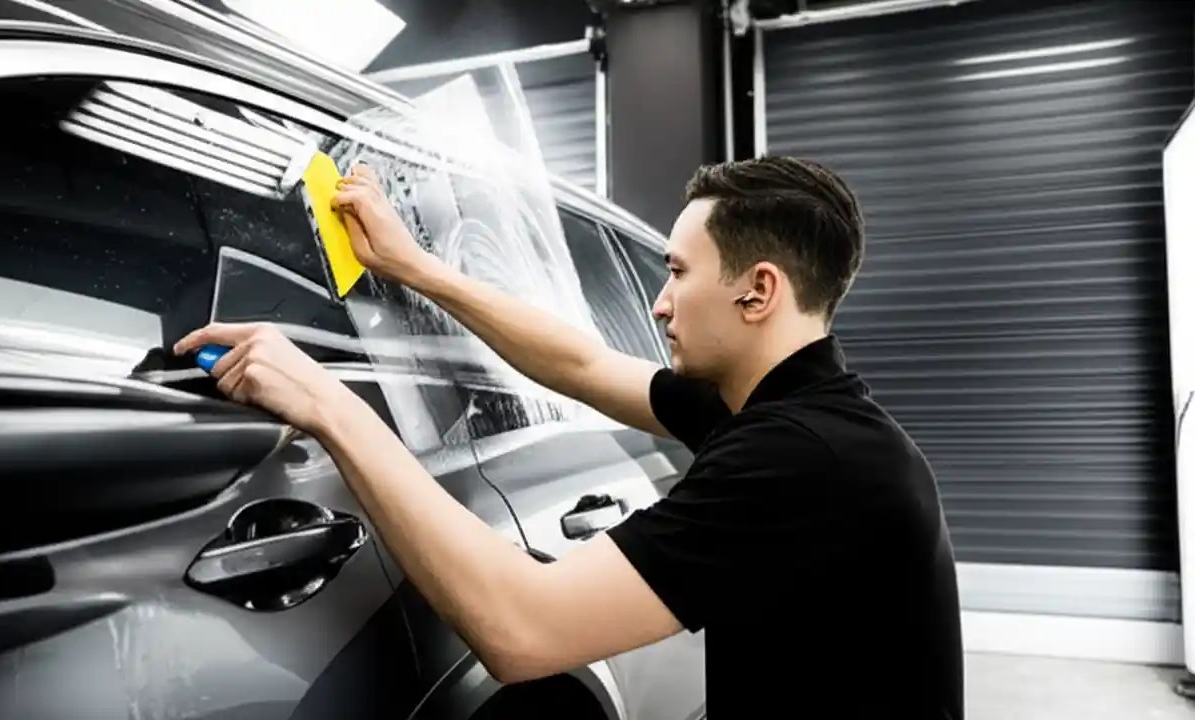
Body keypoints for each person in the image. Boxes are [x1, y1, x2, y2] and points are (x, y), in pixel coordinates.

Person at [174, 155, 964, 718]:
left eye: (679, 273)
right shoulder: (785, 409)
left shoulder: (804, 461)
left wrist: (329, 401)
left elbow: (523, 631)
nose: (659, 304)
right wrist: (418, 268)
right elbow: (580, 362)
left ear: (759, 292)